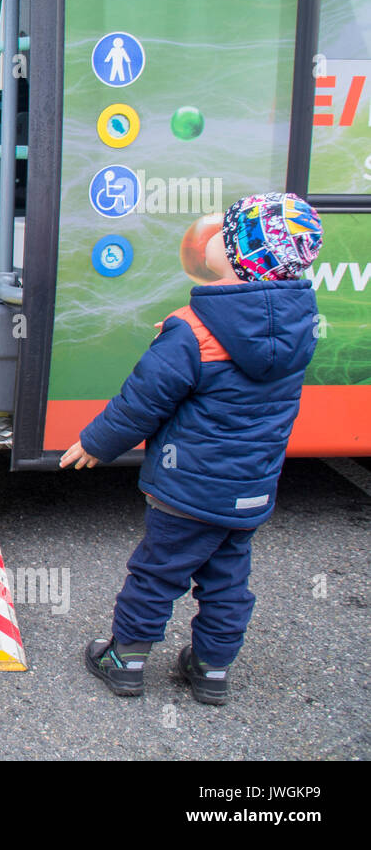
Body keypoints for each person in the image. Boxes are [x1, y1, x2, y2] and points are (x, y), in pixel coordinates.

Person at [62, 193, 324, 705]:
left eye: (226, 237)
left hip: (187, 487)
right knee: (228, 581)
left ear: (240, 256)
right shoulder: (300, 321)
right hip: (250, 487)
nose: (212, 241)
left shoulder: (193, 330)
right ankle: (212, 671)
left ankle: (127, 659)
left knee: (158, 572)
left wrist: (95, 443)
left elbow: (142, 402)